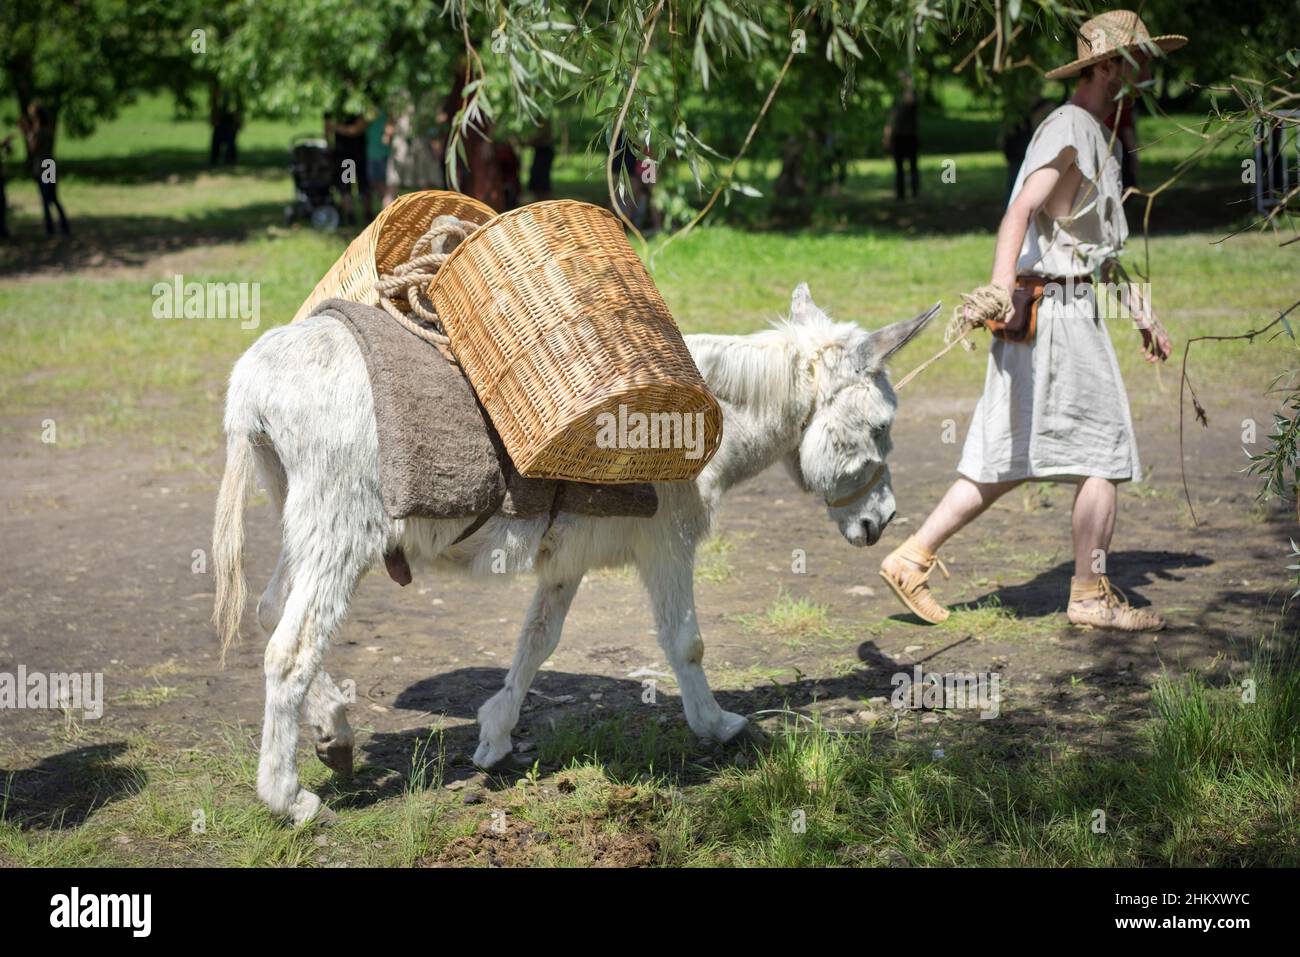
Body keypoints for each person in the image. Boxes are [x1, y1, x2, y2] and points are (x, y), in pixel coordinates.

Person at [877, 10, 1185, 632]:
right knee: (1105, 452)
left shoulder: (1097, 131)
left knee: (1004, 454)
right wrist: (996, 287)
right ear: (1106, 67)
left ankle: (912, 557)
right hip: (1055, 315)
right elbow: (1018, 211)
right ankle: (1090, 594)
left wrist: (1140, 313)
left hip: (1060, 308)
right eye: (1137, 58)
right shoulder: (1069, 126)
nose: (1147, 70)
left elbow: (1092, 245)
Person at [19, 102, 70, 237]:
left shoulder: (39, 131)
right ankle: (63, 226)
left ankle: (50, 229)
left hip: (44, 166)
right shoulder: (47, 128)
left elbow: (33, 148)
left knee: (46, 199)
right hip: (49, 164)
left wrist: (28, 134)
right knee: (53, 198)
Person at [327, 109, 372, 225]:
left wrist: (336, 127)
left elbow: (357, 129)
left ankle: (366, 214)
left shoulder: (357, 105)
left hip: (358, 152)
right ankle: (350, 214)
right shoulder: (335, 105)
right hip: (345, 154)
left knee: (362, 185)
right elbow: (327, 127)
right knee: (347, 186)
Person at [883, 72, 920, 200]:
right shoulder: (896, 98)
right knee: (899, 168)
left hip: (910, 135)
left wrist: (909, 84)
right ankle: (901, 194)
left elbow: (910, 100)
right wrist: (887, 134)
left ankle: (915, 192)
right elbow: (891, 117)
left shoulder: (912, 94)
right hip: (898, 136)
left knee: (913, 166)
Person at [365, 110, 389, 208]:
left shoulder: (385, 112)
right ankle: (388, 210)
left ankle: (390, 210)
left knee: (381, 185)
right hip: (372, 154)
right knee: (376, 183)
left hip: (381, 154)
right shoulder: (368, 112)